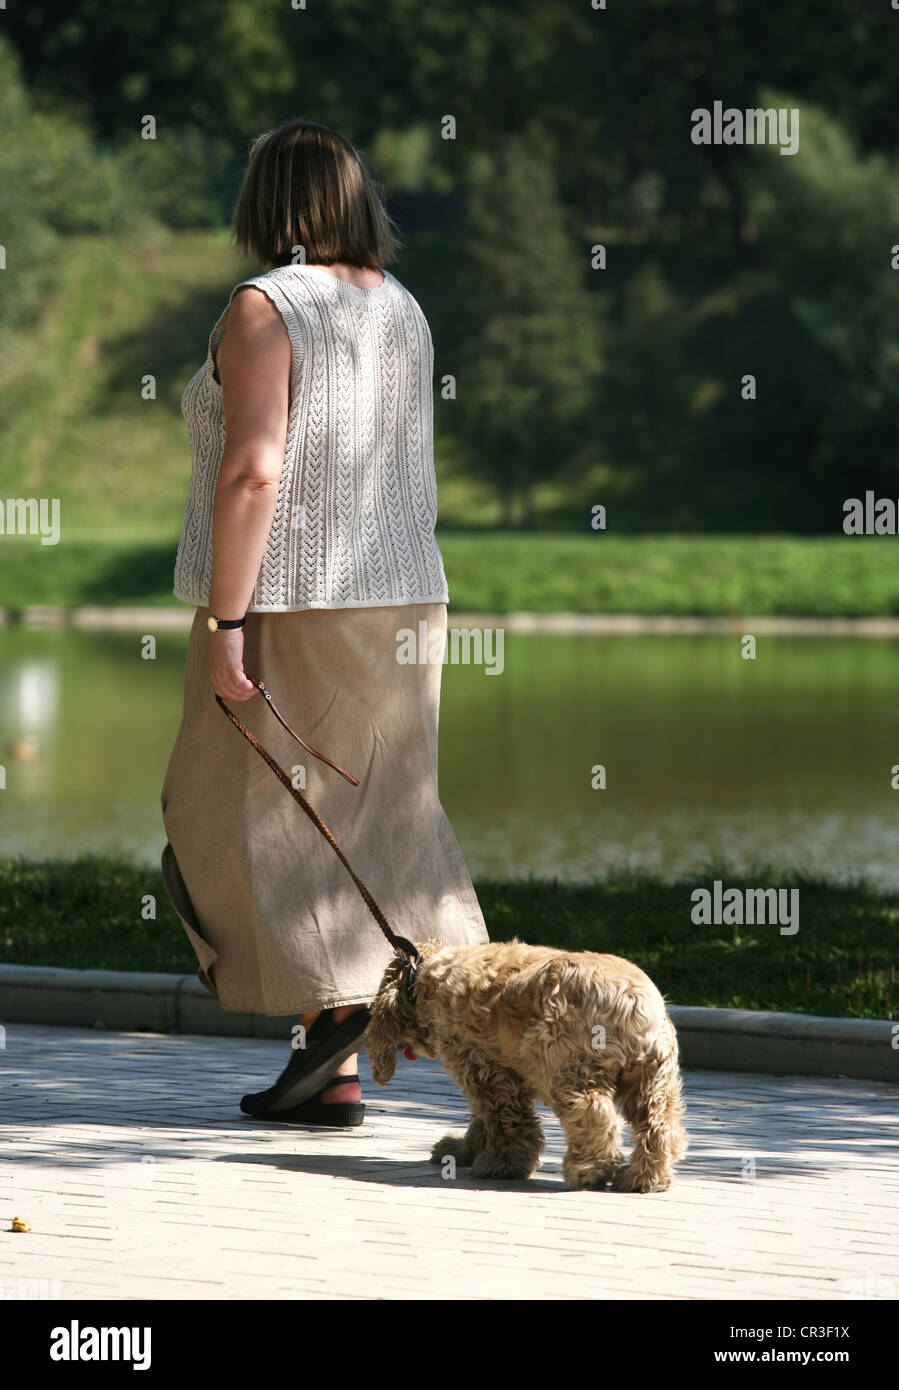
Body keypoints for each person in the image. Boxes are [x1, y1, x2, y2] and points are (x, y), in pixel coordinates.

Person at [160, 118, 489, 1125]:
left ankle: (364, 1004)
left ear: (266, 203)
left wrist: (226, 622)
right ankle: (335, 1046)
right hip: (402, 598)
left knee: (226, 816)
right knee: (371, 815)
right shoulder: (401, 306)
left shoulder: (265, 306)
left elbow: (255, 469)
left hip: (290, 599)